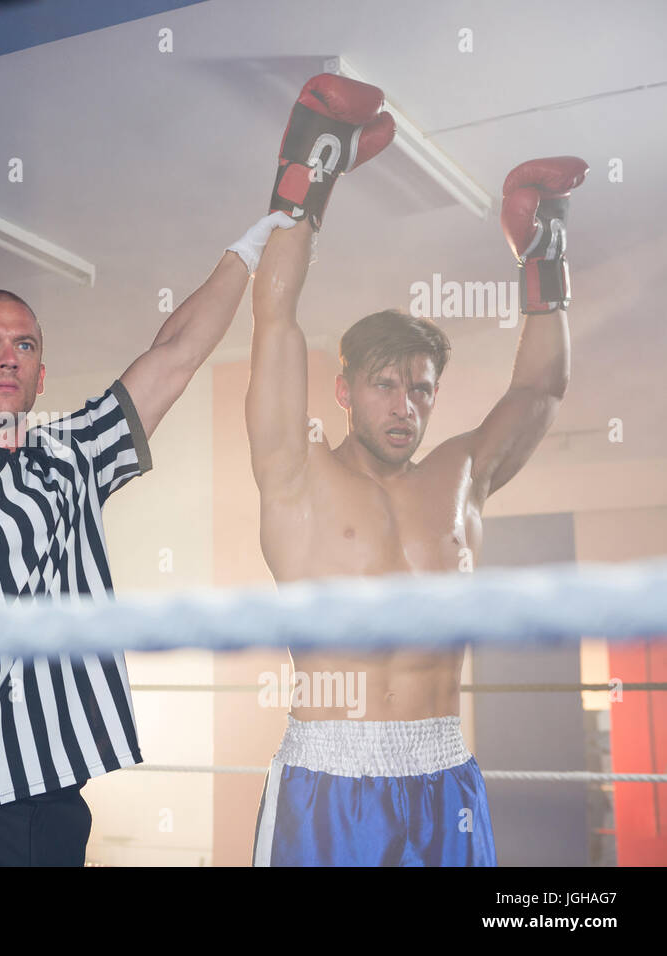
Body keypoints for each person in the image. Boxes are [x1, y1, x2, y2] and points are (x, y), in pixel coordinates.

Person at [0, 191, 295, 864]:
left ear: (41, 374)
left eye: (24, 345)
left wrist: (245, 253)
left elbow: (175, 353)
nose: (7, 358)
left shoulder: (75, 457)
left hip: (59, 809)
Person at [246, 74, 586, 865]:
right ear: (345, 390)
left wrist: (544, 258)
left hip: (445, 778)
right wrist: (309, 177)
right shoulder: (296, 477)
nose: (406, 406)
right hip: (330, 785)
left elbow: (540, 388)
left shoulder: (460, 477)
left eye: (421, 390)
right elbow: (275, 316)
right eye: (386, 384)